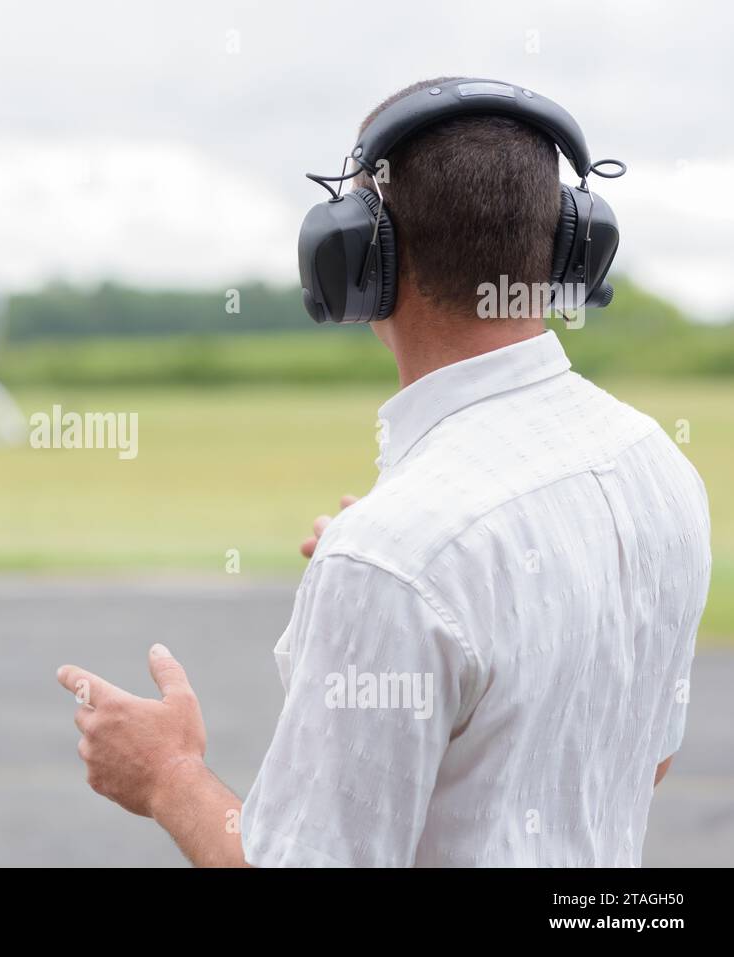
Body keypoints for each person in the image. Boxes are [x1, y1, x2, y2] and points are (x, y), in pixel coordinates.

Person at [55, 78, 711, 867]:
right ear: (574, 247)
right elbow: (641, 762)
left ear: (360, 254)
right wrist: (411, 590)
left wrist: (167, 774)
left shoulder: (390, 558)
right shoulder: (660, 468)